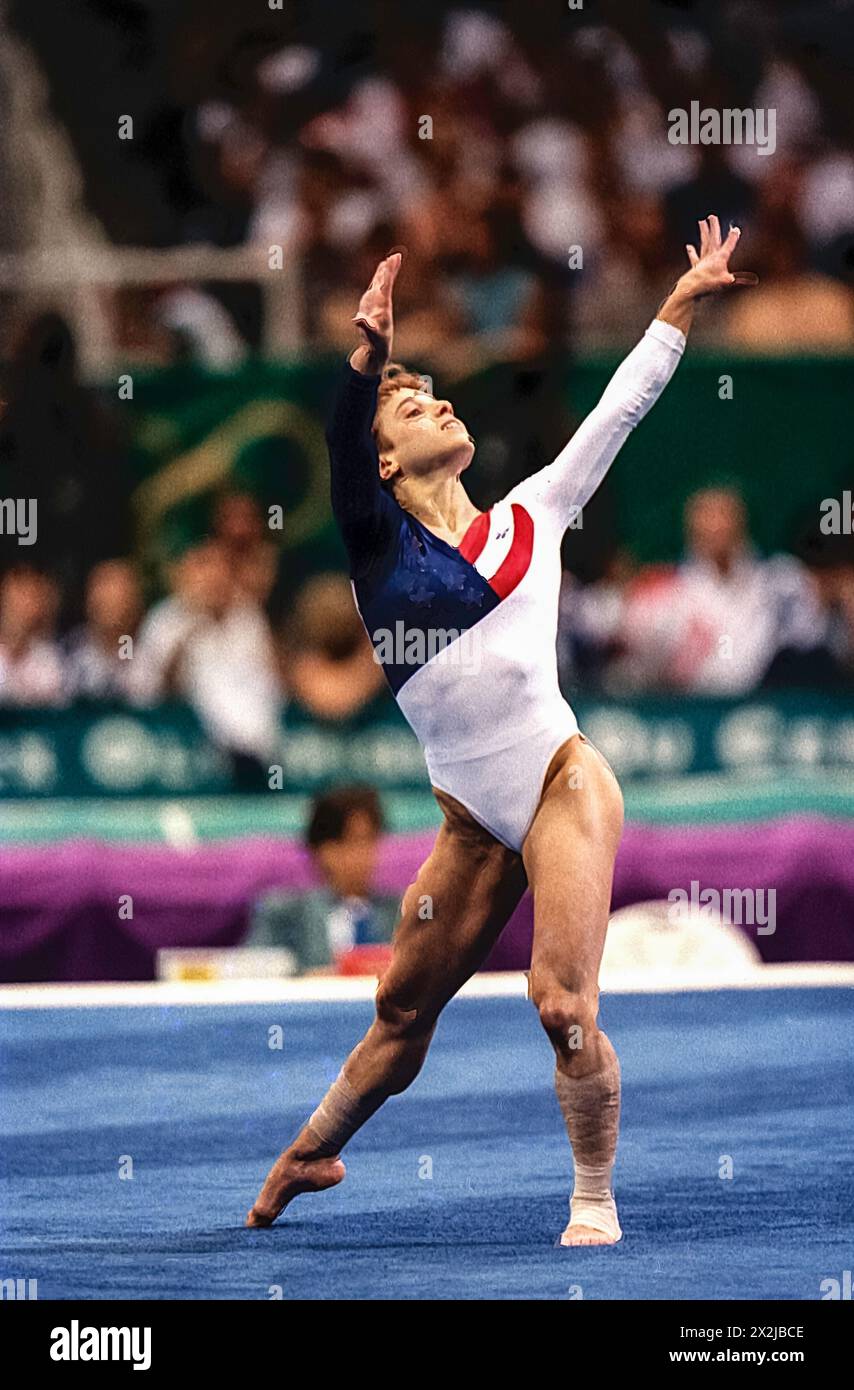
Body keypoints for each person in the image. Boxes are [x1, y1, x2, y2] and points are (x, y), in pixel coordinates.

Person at [248, 218, 756, 1245]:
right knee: (399, 1009)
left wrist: (675, 305)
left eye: (438, 394)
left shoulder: (534, 514)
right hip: (473, 825)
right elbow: (341, 453)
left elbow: (618, 411)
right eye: (411, 406)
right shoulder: (379, 552)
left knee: (559, 1002)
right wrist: (366, 362)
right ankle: (308, 1149)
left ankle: (593, 1196)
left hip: (563, 781)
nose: (438, 401)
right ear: (385, 463)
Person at [246, 786, 398, 974]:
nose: (361, 853)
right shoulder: (283, 914)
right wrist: (311, 979)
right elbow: (253, 974)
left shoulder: (403, 911)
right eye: (348, 841)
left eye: (368, 840)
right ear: (321, 849)